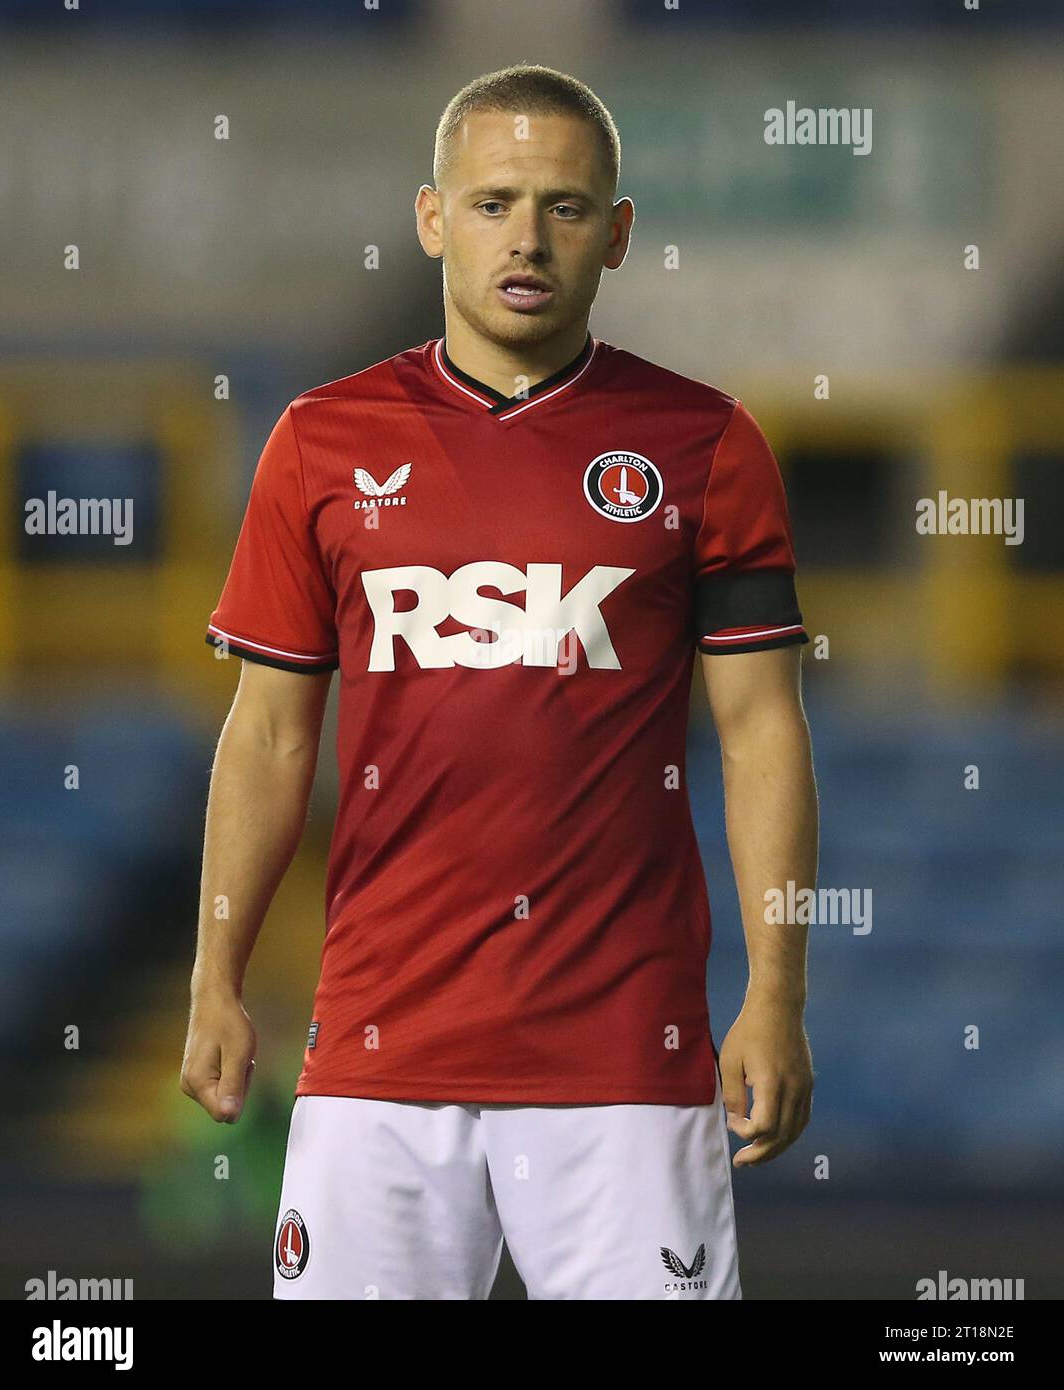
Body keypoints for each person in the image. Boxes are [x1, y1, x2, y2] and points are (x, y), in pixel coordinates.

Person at [181, 63, 818, 1301]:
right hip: (376, 1050)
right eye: (492, 202)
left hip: (627, 1056)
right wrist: (214, 978)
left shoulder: (706, 446)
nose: (525, 236)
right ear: (431, 218)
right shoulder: (319, 440)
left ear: (617, 233)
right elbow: (266, 736)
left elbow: (759, 735)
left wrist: (776, 993)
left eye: (565, 207)